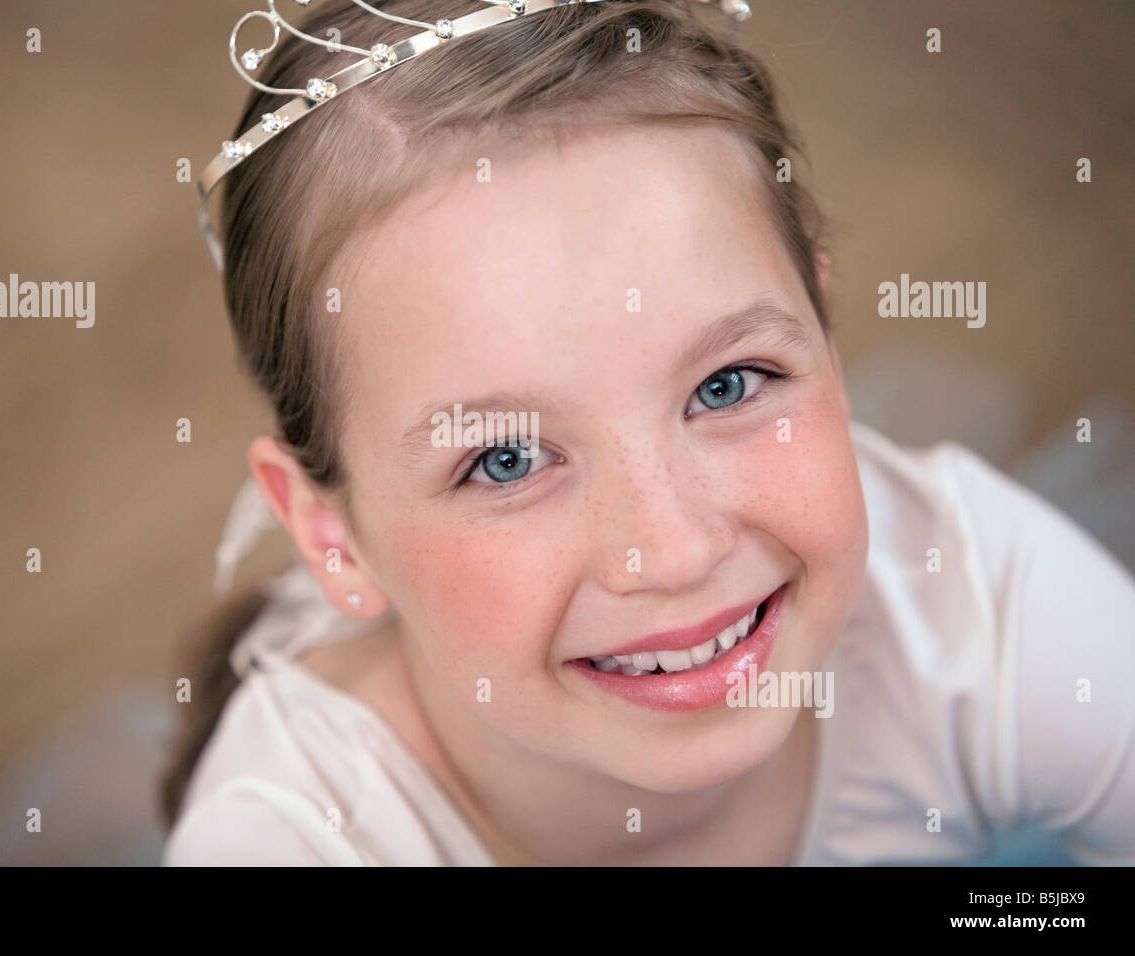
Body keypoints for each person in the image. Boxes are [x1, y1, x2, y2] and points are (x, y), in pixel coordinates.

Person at [160, 0, 1135, 865]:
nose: (671, 552)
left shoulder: (969, 601)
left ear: (828, 343)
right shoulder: (291, 835)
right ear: (331, 534)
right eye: (504, 459)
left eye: (726, 384)